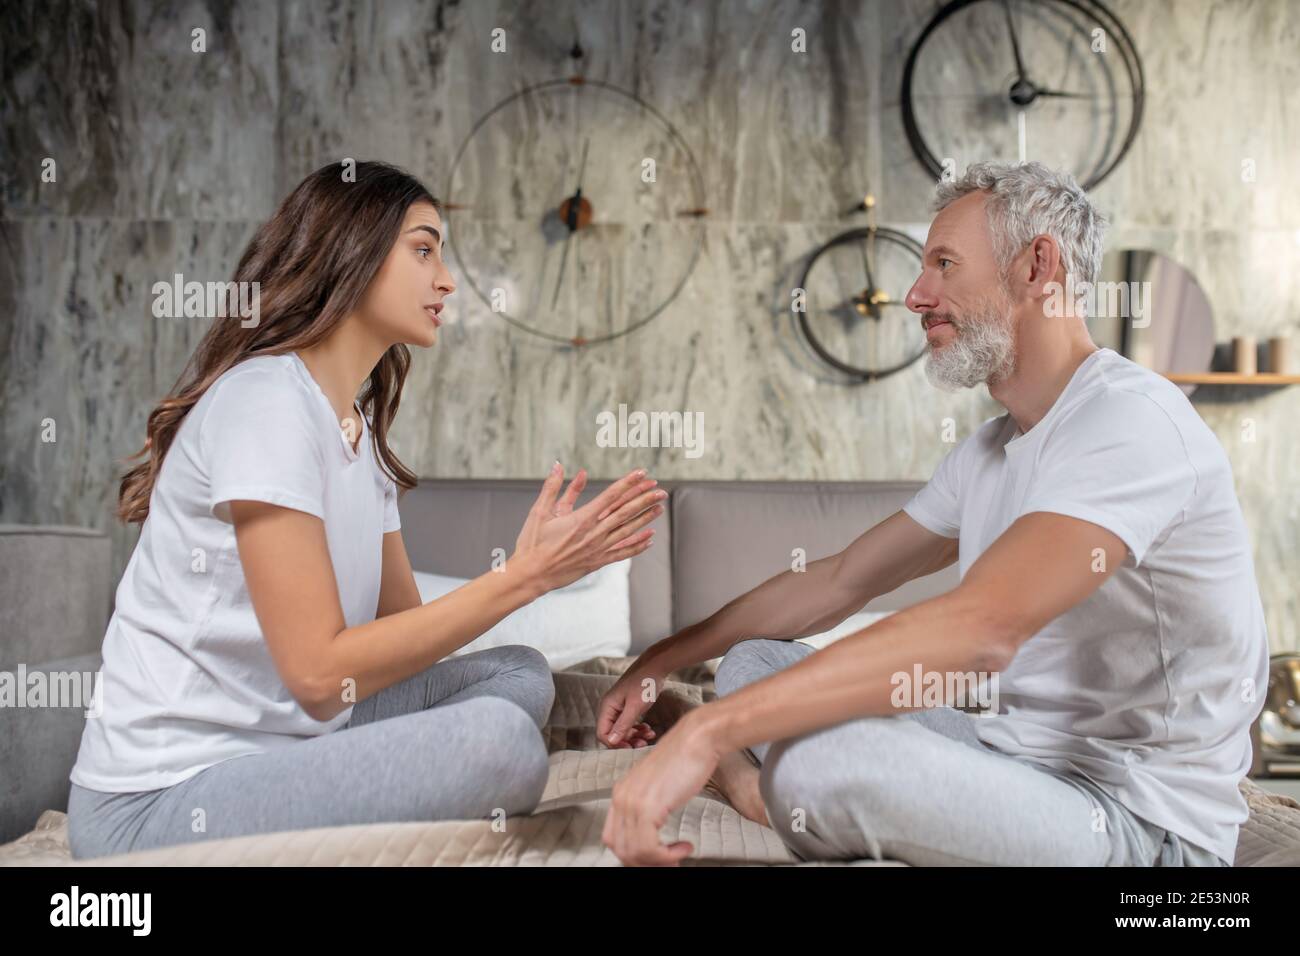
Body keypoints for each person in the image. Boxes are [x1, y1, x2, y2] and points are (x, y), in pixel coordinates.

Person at [597, 161, 1270, 868]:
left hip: (1139, 826)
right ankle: (761, 758)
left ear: (1038, 264)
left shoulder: (1130, 421)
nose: (916, 297)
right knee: (754, 663)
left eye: (944, 264)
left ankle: (750, 787)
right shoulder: (992, 447)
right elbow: (839, 582)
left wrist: (707, 735)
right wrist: (663, 659)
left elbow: (983, 629)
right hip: (1016, 759)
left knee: (820, 762)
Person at [67, 160, 664, 859]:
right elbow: (322, 678)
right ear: (351, 252)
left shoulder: (356, 428)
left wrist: (537, 573)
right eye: (424, 248)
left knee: (518, 673)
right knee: (499, 746)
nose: (446, 279)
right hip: (160, 797)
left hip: (295, 738)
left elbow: (407, 639)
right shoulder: (265, 403)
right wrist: (523, 578)